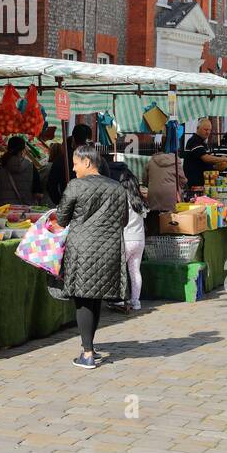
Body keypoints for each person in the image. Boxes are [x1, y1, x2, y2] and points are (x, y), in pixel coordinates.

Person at [54, 144, 128, 369]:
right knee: (94, 297)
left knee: (83, 299)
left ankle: (87, 353)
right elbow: (123, 220)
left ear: (87, 162)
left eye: (76, 163)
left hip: (82, 249)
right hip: (109, 248)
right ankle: (91, 347)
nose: (74, 168)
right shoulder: (117, 188)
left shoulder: (75, 186)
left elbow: (61, 219)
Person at [115, 165, 148, 311]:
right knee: (135, 271)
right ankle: (136, 301)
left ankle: (120, 300)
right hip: (140, 240)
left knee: (120, 270)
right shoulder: (139, 201)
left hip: (126, 240)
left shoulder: (123, 200)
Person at [181, 118, 227, 188]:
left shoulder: (203, 143)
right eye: (205, 129)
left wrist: (219, 166)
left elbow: (208, 164)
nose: (208, 132)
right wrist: (226, 159)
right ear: (198, 128)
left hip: (205, 183)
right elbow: (206, 158)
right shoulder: (194, 141)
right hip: (196, 183)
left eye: (209, 130)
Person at [0, 135, 41, 203]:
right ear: (23, 150)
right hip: (25, 210)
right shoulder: (31, 167)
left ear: (8, 148)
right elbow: (38, 192)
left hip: (4, 209)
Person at [144, 145, 183, 217]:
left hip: (154, 194)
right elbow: (182, 179)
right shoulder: (175, 161)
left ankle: (155, 227)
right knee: (171, 220)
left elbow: (145, 180)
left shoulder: (151, 161)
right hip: (171, 195)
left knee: (154, 218)